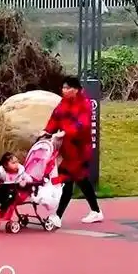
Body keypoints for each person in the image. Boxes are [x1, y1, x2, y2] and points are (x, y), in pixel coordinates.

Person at [43, 76, 103, 228]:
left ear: (75, 90)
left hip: (79, 149)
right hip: (67, 149)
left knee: (67, 179)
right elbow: (55, 118)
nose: (64, 90)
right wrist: (47, 131)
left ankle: (58, 216)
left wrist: (66, 132)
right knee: (81, 180)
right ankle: (96, 211)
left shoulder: (85, 104)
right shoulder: (63, 103)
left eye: (67, 88)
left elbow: (82, 124)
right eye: (63, 88)